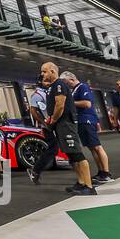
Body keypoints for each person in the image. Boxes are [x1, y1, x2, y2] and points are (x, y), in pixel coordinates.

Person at [30, 62, 94, 194]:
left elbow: (60, 106)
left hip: (66, 124)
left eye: (44, 71)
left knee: (77, 154)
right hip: (60, 125)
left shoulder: (59, 85)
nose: (42, 74)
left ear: (53, 71)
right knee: (71, 156)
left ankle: (89, 186)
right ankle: (81, 183)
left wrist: (52, 120)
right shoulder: (52, 87)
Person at [63, 71, 112, 183]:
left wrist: (70, 102)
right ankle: (101, 172)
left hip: (87, 120)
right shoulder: (74, 90)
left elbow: (87, 104)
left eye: (66, 82)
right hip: (81, 121)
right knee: (92, 148)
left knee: (97, 147)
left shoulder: (82, 87)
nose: (66, 85)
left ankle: (106, 173)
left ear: (71, 79)